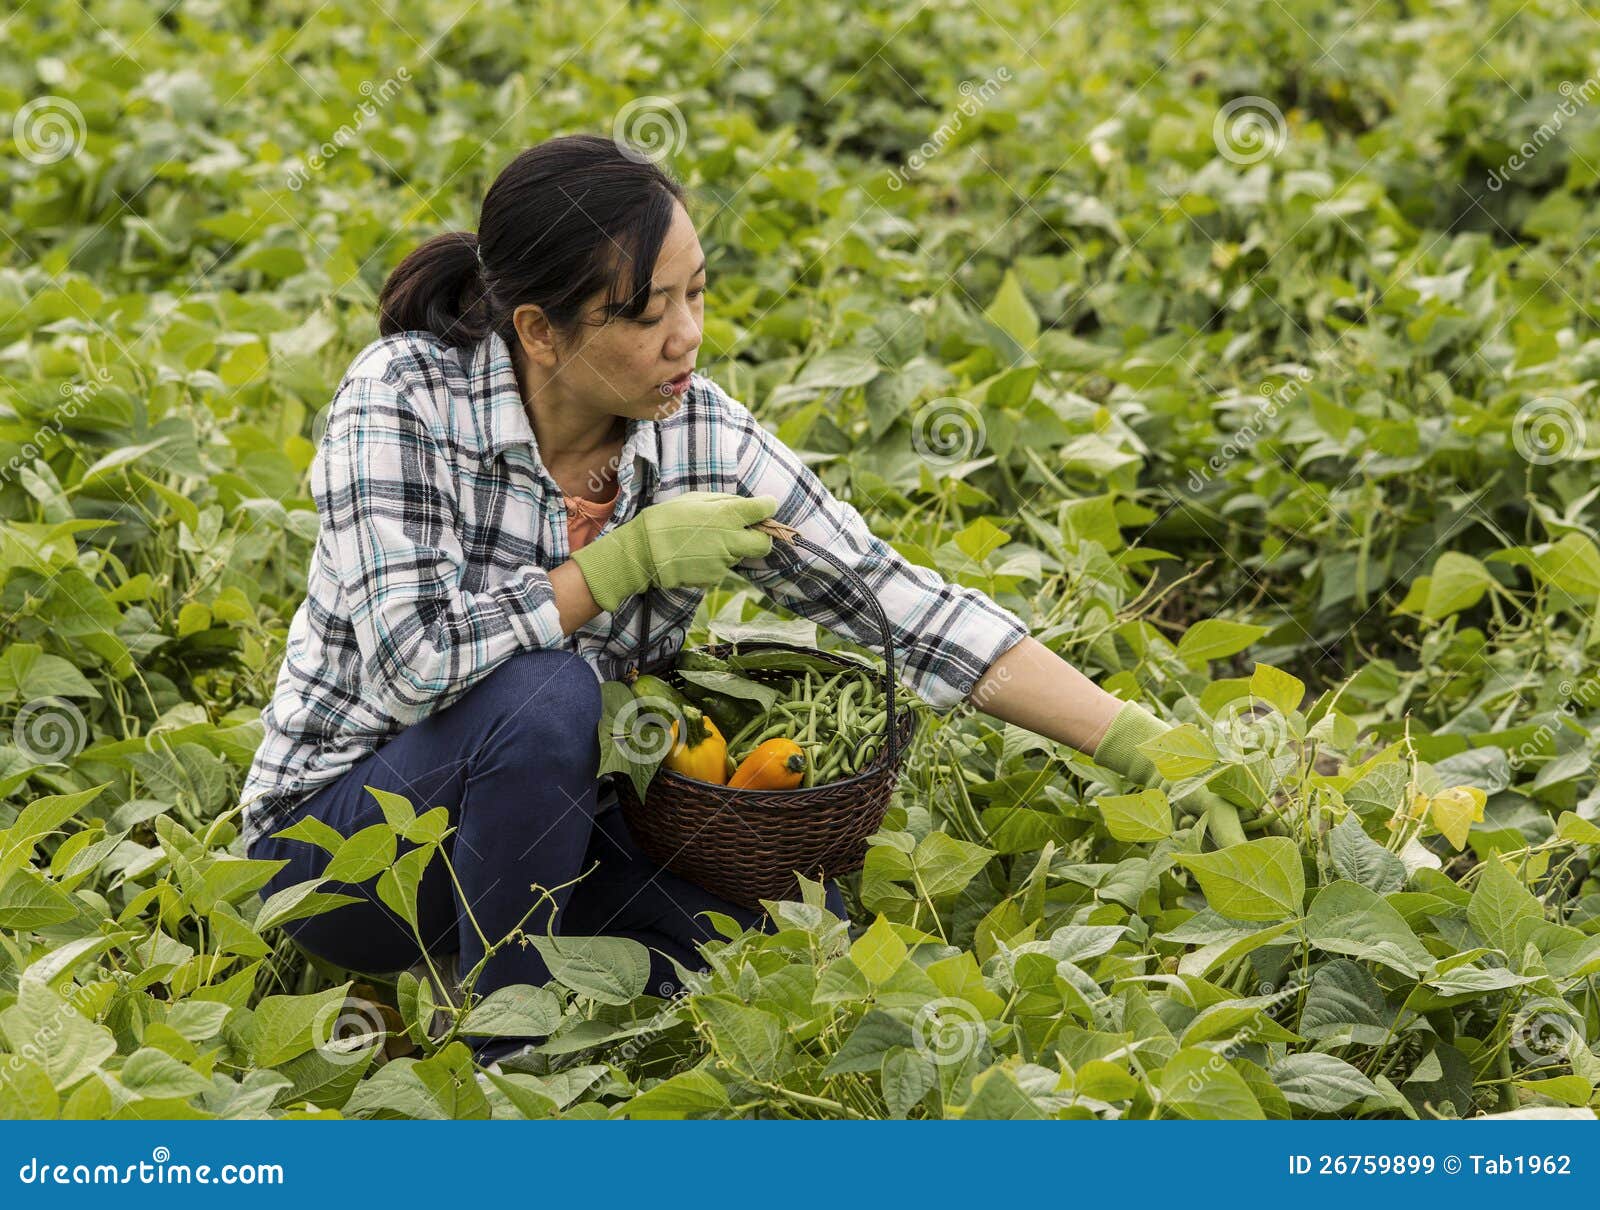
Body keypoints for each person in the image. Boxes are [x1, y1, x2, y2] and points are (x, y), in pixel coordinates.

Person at [239, 133, 1235, 1068]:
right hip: (339, 851)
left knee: (789, 944)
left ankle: (525, 979)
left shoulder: (695, 434)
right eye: (646, 313)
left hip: (547, 819)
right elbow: (418, 660)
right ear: (539, 331)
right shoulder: (407, 397)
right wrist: (627, 558)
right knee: (545, 695)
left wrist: (1140, 740)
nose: (687, 338)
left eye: (697, 295)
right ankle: (505, 1062)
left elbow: (897, 603)